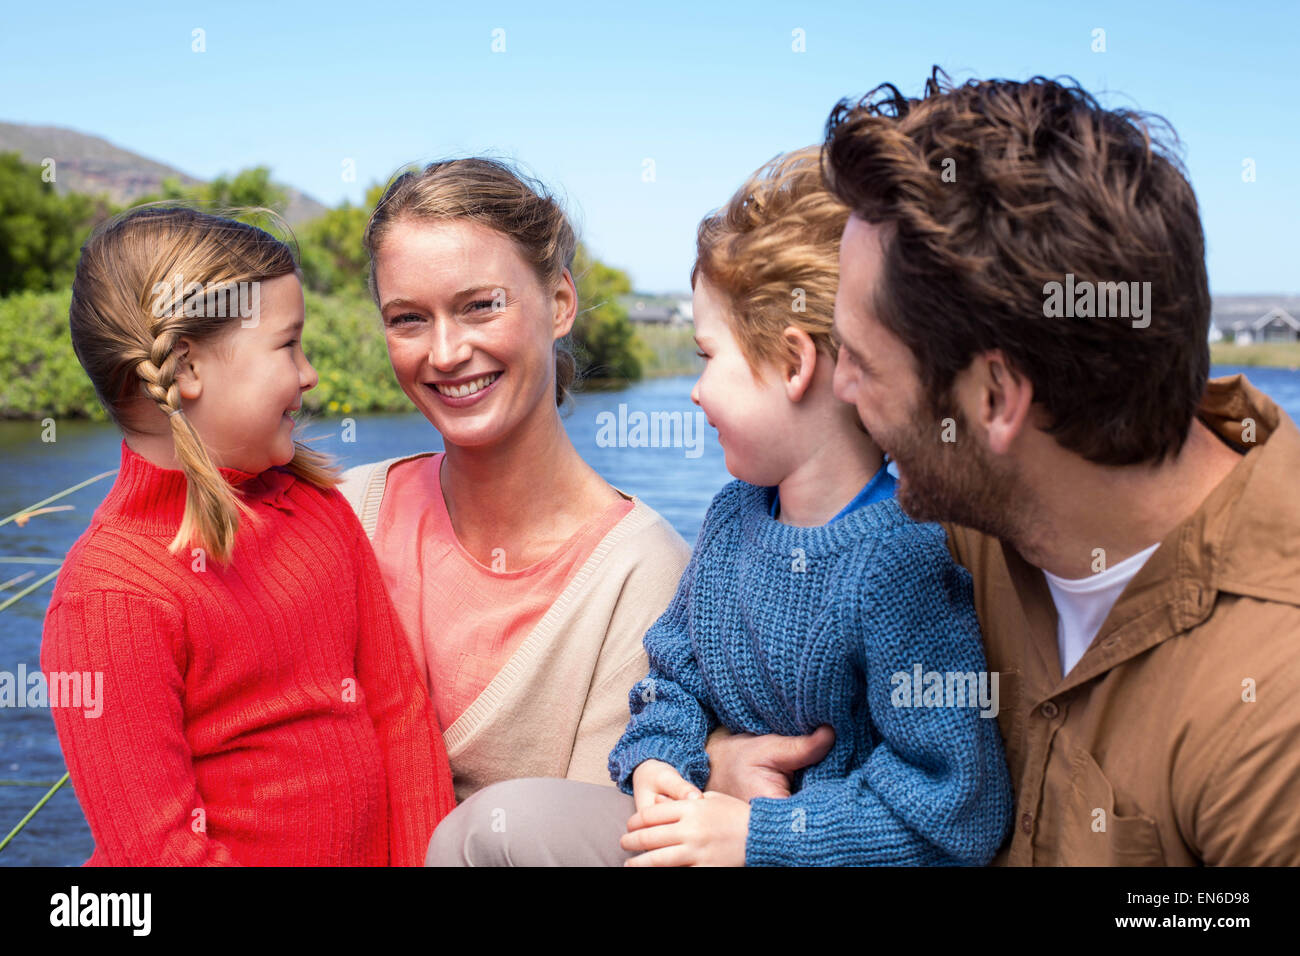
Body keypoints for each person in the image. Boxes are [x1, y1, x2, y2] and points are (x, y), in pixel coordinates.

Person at [714, 71, 1300, 865]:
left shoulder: (1273, 705)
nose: (839, 388)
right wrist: (717, 753)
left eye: (862, 361)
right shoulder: (954, 512)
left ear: (994, 399)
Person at [426, 147, 1013, 866]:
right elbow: (673, 677)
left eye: (708, 357)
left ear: (794, 364)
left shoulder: (900, 563)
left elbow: (958, 812)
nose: (696, 391)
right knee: (483, 833)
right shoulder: (735, 516)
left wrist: (758, 837)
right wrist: (662, 767)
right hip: (698, 833)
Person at [42, 206, 456, 865]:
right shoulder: (108, 600)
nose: (310, 372)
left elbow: (399, 714)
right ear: (187, 370)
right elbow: (159, 852)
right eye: (288, 344)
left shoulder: (313, 506)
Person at [337, 159, 691, 802]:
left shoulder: (643, 576)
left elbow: (589, 841)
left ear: (559, 304)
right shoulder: (343, 512)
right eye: (408, 318)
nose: (444, 354)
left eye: (480, 307)